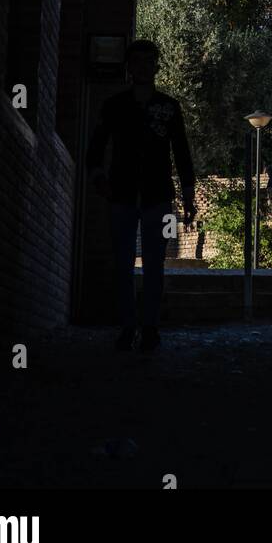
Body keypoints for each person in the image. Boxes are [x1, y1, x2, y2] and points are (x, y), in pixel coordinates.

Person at [86, 39, 196, 352]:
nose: (144, 67)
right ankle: (129, 324)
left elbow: (182, 153)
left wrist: (188, 196)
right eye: (138, 61)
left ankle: (148, 326)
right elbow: (95, 148)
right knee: (122, 263)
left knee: (155, 264)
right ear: (130, 67)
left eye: (149, 62)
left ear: (156, 67)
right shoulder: (115, 106)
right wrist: (99, 179)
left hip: (159, 197)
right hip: (121, 195)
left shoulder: (170, 107)